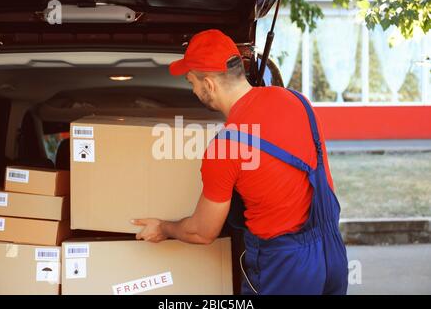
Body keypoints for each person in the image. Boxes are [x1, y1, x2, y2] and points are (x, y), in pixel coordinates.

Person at [131, 29, 348, 295]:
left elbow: (202, 232)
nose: (194, 91)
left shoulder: (226, 147)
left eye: (192, 83)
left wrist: (164, 228)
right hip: (332, 254)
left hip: (284, 268)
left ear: (209, 85)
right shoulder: (298, 101)